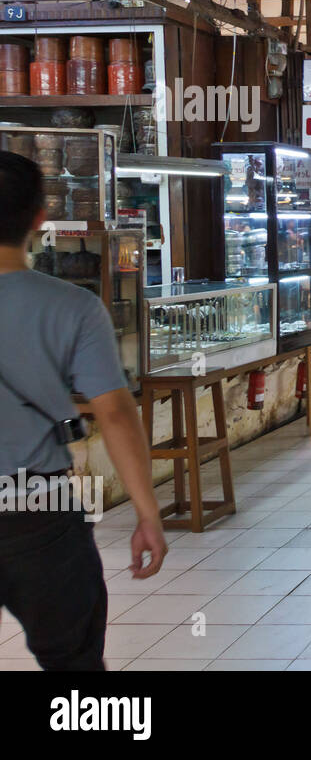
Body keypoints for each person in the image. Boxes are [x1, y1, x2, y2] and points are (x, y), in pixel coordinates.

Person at [0, 151, 167, 669]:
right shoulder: (73, 307)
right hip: (37, 506)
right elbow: (115, 415)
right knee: (73, 663)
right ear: (39, 220)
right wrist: (147, 513)